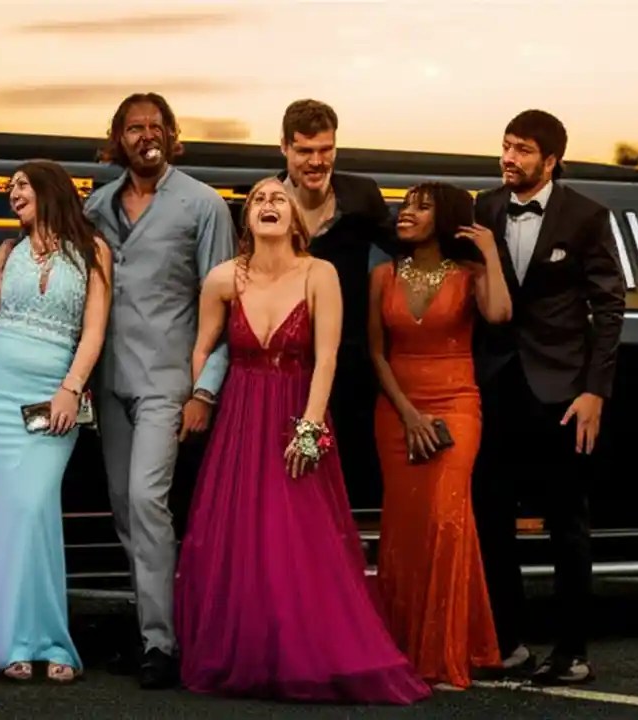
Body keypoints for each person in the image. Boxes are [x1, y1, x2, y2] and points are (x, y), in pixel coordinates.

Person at [173, 177, 430, 705]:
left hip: (296, 411)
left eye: (278, 200)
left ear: (297, 219)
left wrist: (310, 429)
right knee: (240, 537)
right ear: (246, 219)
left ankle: (307, 654)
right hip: (240, 418)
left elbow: (328, 357)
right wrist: (201, 400)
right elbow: (203, 349)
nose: (268, 205)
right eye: (258, 200)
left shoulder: (321, 274)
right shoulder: (222, 279)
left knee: (297, 538)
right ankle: (250, 655)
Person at [81, 92, 236, 689]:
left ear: (172, 136)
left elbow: (222, 308)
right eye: (133, 127)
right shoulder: (95, 207)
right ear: (118, 137)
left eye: (155, 126)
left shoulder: (203, 205)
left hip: (168, 381)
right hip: (109, 380)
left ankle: (162, 645)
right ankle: (154, 623)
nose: (145, 135)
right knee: (124, 507)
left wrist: (205, 391)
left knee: (148, 501)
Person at [472, 109, 625, 686]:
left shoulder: (586, 214)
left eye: (522, 150)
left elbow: (609, 308)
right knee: (491, 518)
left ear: (550, 159)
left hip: (563, 391)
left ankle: (572, 653)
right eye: (506, 146)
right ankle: (506, 643)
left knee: (566, 521)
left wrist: (594, 392)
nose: (509, 158)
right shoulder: (482, 208)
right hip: (494, 385)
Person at [0, 160, 112, 683]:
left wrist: (71, 388)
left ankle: (50, 640)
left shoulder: (93, 250)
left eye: (23, 184)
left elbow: (94, 331)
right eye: (10, 187)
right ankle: (7, 644)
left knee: (35, 506)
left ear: (50, 189)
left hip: (51, 397)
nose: (13, 192)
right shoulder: (6, 251)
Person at [369, 182, 512, 689]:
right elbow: (377, 354)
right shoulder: (383, 275)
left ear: (445, 218)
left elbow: (498, 315)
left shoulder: (470, 274)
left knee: (447, 517)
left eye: (421, 207)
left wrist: (490, 251)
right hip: (396, 410)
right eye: (405, 205)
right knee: (403, 526)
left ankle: (447, 650)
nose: (406, 213)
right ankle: (401, 647)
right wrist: (407, 414)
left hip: (457, 405)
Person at [276, 99, 395, 510]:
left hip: (348, 364)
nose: (316, 161)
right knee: (288, 478)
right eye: (305, 150)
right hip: (285, 367)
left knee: (343, 484)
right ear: (284, 149)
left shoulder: (361, 196)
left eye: (325, 149)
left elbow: (406, 254)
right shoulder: (268, 201)